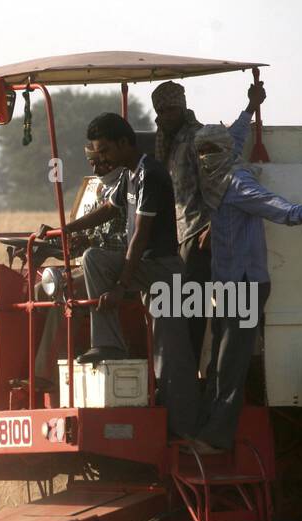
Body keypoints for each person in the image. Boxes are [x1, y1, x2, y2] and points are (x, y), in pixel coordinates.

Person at [187, 123, 302, 454]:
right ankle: (206, 430)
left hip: (245, 285)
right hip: (226, 283)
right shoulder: (221, 169)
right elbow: (234, 137)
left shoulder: (236, 182)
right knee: (217, 364)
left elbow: (270, 203)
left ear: (222, 153)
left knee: (230, 365)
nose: (204, 157)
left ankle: (216, 439)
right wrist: (249, 109)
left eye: (209, 151)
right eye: (200, 151)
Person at [51, 112, 197, 439]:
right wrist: (64, 230)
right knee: (93, 259)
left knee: (170, 356)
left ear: (124, 143)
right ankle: (109, 344)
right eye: (97, 153)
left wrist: (120, 287)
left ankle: (184, 432)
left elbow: (140, 236)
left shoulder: (151, 174)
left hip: (163, 271)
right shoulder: (128, 175)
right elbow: (109, 208)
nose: (101, 159)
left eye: (105, 152)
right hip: (146, 269)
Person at [152, 80, 266, 364]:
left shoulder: (196, 137)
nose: (164, 115)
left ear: (181, 107)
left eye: (169, 109)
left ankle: (190, 376)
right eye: (160, 110)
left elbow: (223, 177)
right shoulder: (169, 140)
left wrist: (214, 227)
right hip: (181, 234)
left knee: (193, 310)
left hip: (200, 234)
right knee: (184, 307)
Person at [31, 144, 127, 383]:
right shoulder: (102, 191)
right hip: (93, 264)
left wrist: (82, 237)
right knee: (39, 290)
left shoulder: (127, 189)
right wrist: (58, 243)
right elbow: (89, 235)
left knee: (64, 292)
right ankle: (28, 367)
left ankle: (52, 373)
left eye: (100, 161)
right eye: (92, 162)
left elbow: (126, 239)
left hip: (117, 268)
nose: (96, 167)